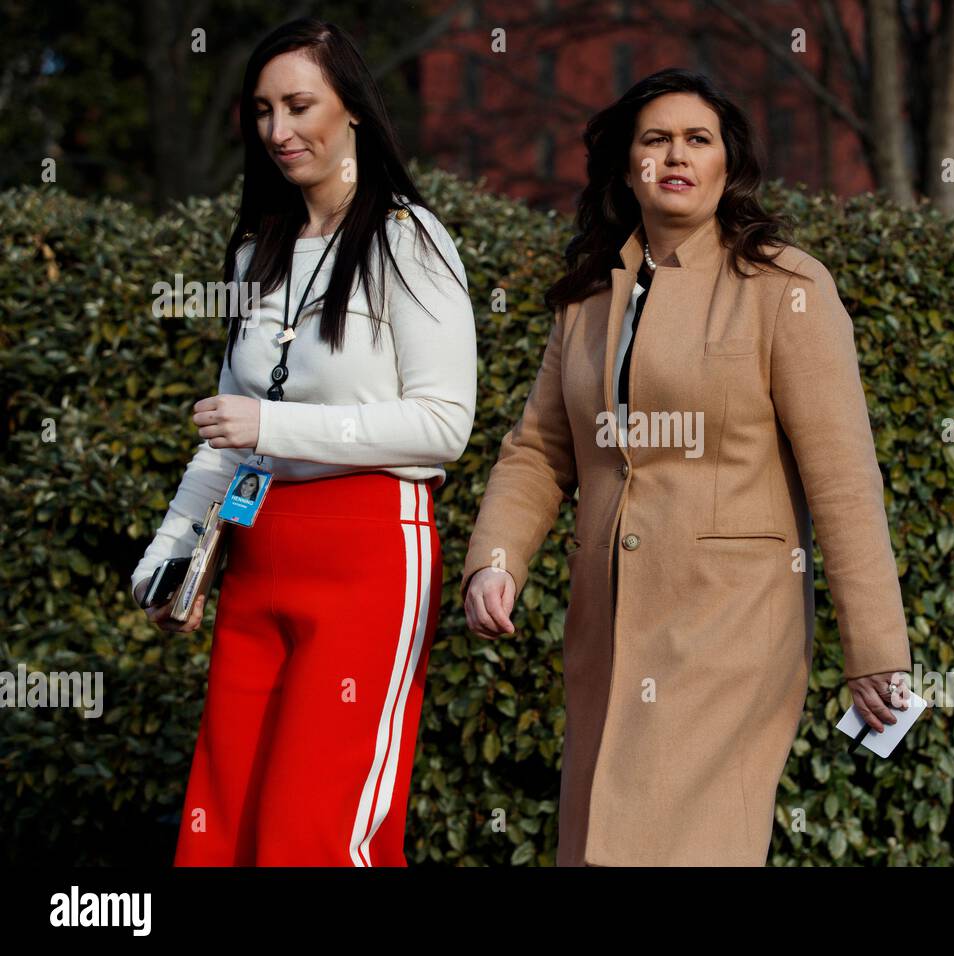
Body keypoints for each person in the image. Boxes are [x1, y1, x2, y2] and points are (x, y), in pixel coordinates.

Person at [461, 68, 912, 867]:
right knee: (603, 841)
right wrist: (496, 562)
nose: (676, 154)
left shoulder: (785, 287)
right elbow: (537, 450)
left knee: (681, 846)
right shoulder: (587, 303)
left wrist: (875, 648)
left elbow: (843, 478)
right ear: (627, 165)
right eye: (655, 139)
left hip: (729, 631)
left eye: (697, 139)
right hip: (609, 628)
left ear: (726, 165)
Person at [130, 17, 476, 866]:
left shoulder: (409, 239)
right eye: (261, 111)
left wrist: (274, 427)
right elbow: (227, 426)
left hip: (370, 551)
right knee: (225, 826)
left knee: (315, 835)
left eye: (298, 105)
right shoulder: (257, 252)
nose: (278, 131)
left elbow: (444, 424)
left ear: (352, 108)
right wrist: (172, 550)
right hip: (257, 551)